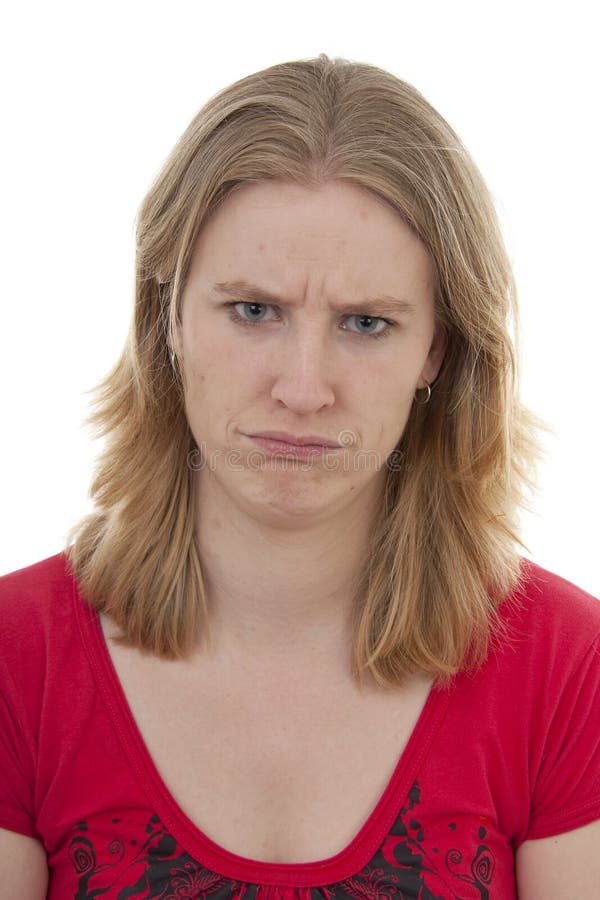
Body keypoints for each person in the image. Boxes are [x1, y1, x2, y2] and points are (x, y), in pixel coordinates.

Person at [1, 53, 599, 900]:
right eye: (254, 311)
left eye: (366, 322)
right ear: (167, 317)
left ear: (436, 348)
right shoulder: (16, 657)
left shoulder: (568, 668)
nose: (304, 388)